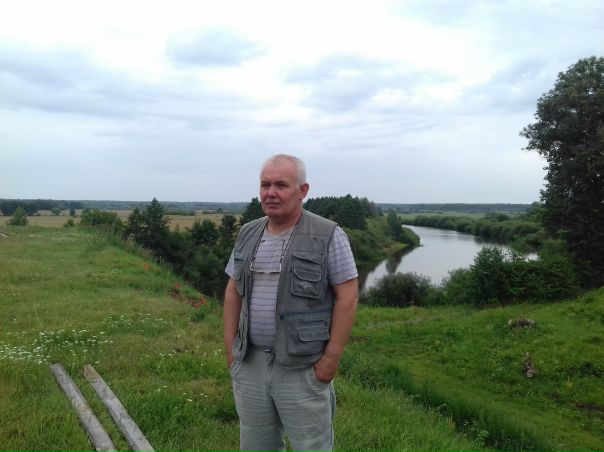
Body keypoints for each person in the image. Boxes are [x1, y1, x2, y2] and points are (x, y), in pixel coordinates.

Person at [224, 154, 358, 452]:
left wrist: (331, 358)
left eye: (281, 185)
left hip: (303, 367)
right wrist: (230, 347)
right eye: (265, 185)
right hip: (250, 363)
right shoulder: (248, 232)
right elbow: (233, 291)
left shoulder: (328, 234)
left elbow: (348, 296)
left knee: (312, 446)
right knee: (256, 445)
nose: (271, 192)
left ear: (302, 190)